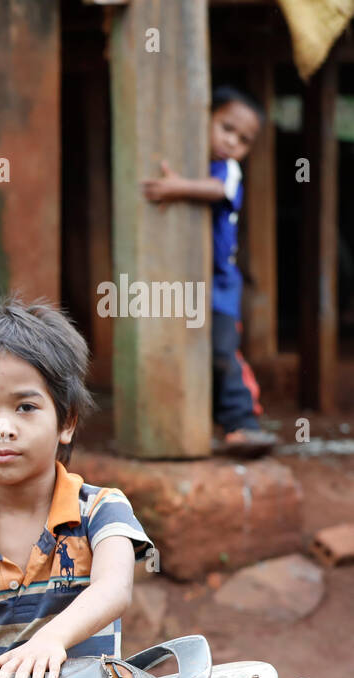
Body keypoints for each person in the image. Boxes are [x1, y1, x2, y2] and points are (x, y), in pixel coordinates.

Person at [0, 297, 154, 678]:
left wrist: (48, 641)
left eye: (25, 407)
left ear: (67, 422)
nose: (2, 428)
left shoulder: (101, 510)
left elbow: (113, 589)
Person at [140, 85, 275, 456]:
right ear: (205, 119)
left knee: (222, 351)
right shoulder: (191, 161)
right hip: (183, 284)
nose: (232, 142)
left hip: (220, 285)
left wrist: (177, 187)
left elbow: (217, 190)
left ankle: (244, 423)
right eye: (226, 128)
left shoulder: (226, 172)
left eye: (244, 140)